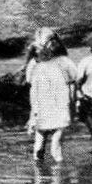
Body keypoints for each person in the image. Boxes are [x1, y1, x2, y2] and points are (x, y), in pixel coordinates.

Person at [25, 29, 77, 162]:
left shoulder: (64, 61)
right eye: (48, 41)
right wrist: (33, 114)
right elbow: (33, 90)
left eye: (54, 40)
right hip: (43, 107)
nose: (52, 44)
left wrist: (72, 106)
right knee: (39, 145)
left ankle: (55, 179)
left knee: (55, 145)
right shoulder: (34, 64)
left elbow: (72, 84)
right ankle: (41, 178)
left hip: (59, 107)